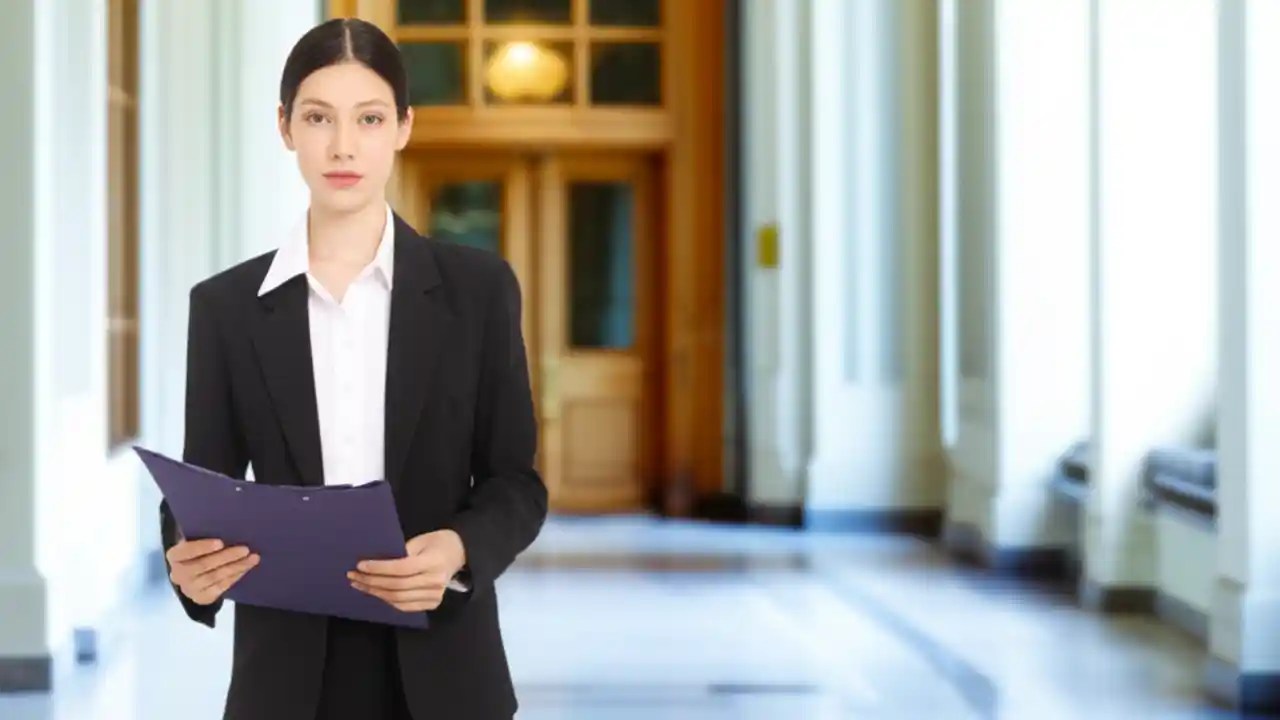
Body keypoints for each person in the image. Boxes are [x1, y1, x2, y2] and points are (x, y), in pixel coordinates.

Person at [158, 18, 547, 720]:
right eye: (318, 118)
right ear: (284, 127)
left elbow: (515, 483)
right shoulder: (225, 309)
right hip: (287, 679)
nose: (343, 146)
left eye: (368, 118)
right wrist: (185, 559)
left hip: (446, 671)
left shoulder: (479, 291)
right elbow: (203, 488)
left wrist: (460, 548)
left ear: (402, 126)